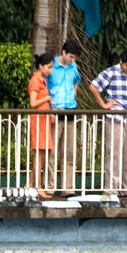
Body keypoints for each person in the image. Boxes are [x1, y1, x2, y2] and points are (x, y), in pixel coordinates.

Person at [89, 48, 127, 198]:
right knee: (114, 153)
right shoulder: (111, 72)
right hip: (115, 117)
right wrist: (104, 104)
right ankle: (111, 187)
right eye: (126, 65)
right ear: (121, 61)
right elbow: (93, 86)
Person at [46, 40, 82, 196]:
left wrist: (74, 93)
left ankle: (68, 187)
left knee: (69, 152)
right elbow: (45, 88)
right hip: (55, 110)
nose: (72, 60)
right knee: (52, 152)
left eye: (74, 58)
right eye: (71, 56)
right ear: (63, 52)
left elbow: (76, 81)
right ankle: (50, 186)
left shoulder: (73, 67)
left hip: (70, 110)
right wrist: (49, 110)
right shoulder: (51, 66)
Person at [28, 52, 55, 199]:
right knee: (40, 153)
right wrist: (46, 98)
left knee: (43, 153)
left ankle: (30, 185)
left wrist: (49, 112)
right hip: (38, 119)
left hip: (43, 119)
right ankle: (38, 187)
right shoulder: (36, 81)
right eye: (49, 67)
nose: (50, 70)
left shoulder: (42, 81)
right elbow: (33, 103)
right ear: (41, 66)